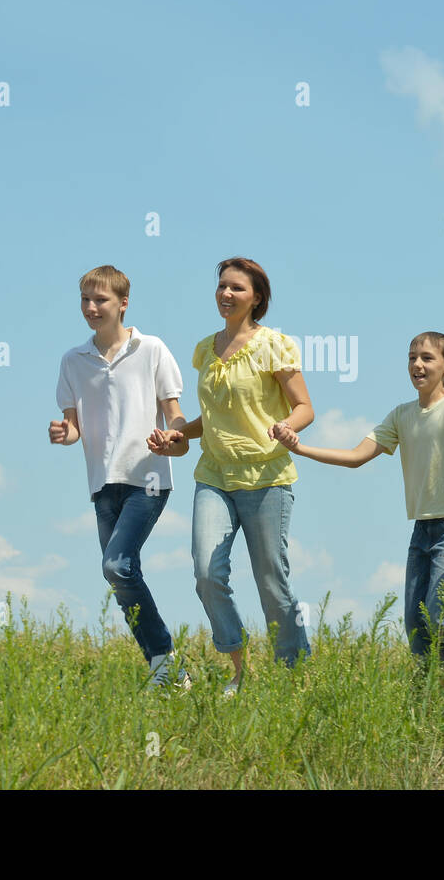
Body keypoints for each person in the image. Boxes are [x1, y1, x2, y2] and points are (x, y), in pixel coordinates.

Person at [284, 331, 444, 682]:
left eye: (427, 358)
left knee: (438, 615)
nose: (417, 364)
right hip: (422, 527)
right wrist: (301, 449)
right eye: (412, 357)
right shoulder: (401, 415)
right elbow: (357, 456)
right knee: (416, 625)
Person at [148, 257, 313, 696]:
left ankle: (294, 674)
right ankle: (240, 670)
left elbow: (304, 407)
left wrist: (287, 427)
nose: (226, 294)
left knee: (271, 584)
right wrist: (176, 433)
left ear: (256, 298)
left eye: (236, 288)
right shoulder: (206, 348)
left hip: (266, 476)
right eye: (222, 286)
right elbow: (214, 417)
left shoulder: (274, 345)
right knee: (206, 573)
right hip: (214, 476)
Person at [50, 265, 191, 689]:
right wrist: (64, 433)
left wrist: (173, 437)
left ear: (123, 303)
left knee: (117, 564)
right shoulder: (73, 361)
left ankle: (164, 665)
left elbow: (177, 419)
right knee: (118, 574)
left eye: (101, 300)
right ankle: (167, 670)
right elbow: (73, 427)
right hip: (101, 483)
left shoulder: (152, 350)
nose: (91, 308)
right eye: (85, 300)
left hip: (147, 478)